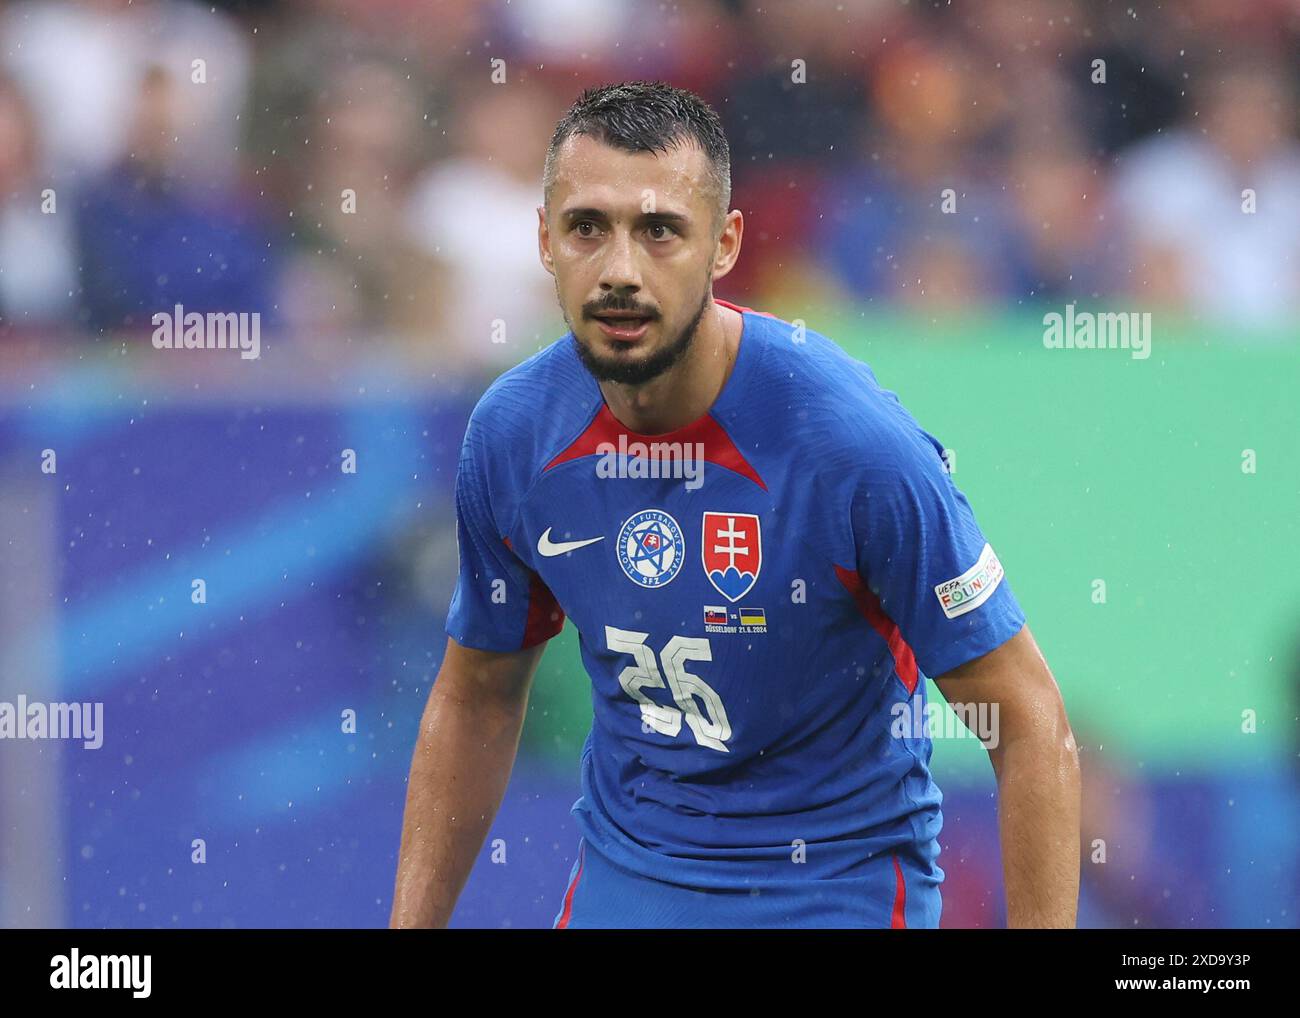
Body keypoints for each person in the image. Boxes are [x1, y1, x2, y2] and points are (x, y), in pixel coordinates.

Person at [390, 80, 1079, 929]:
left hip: (833, 895)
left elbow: (1028, 719)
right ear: (544, 240)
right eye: (587, 228)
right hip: (629, 890)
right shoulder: (512, 434)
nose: (619, 271)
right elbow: (477, 695)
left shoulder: (854, 448)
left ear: (724, 244)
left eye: (659, 232)